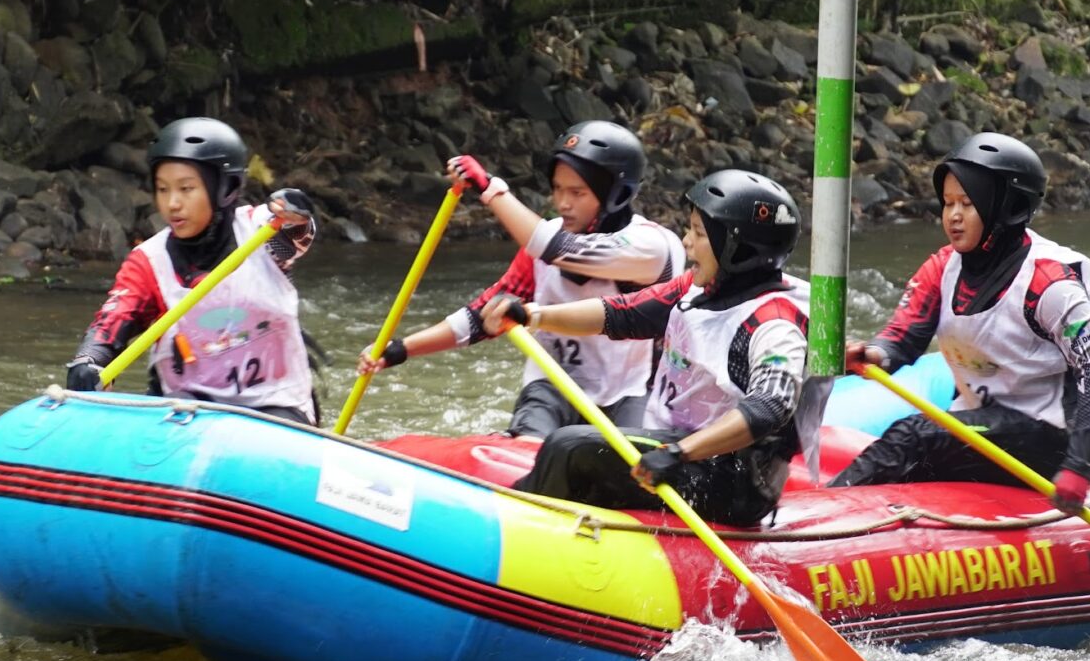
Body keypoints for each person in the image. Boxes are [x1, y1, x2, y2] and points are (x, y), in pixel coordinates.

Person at [481, 169, 810, 527]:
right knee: (579, 451)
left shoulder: (775, 325)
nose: (686, 243)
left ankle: (510, 532)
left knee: (568, 447)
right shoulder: (700, 290)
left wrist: (680, 453)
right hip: (681, 450)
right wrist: (533, 315)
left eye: (698, 233)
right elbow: (620, 313)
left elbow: (770, 407)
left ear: (739, 249)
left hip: (733, 479)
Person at [830, 132, 1090, 513]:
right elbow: (903, 337)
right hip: (981, 424)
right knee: (916, 443)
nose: (952, 215)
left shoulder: (1049, 282)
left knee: (913, 438)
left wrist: (1079, 468)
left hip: (1046, 439)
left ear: (1007, 207)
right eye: (948, 203)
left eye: (967, 203)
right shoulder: (942, 267)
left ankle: (820, 513)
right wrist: (874, 353)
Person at [354, 121, 683, 436]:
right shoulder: (540, 247)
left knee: (635, 466)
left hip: (629, 390)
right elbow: (480, 317)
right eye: (557, 189)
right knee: (533, 433)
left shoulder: (652, 245)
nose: (563, 203)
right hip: (550, 385)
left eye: (577, 193)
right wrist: (399, 350)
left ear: (616, 196)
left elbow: (556, 248)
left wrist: (489, 187)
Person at [64, 116, 321, 425]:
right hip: (185, 414)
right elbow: (111, 325)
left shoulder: (263, 231)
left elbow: (296, 232)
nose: (172, 204)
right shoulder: (148, 262)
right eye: (162, 189)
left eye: (186, 189)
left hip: (275, 407)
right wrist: (88, 361)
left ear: (225, 188)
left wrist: (296, 210)